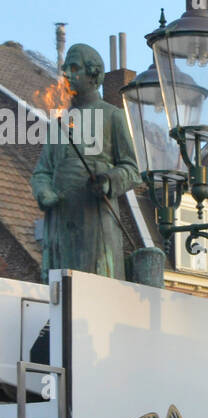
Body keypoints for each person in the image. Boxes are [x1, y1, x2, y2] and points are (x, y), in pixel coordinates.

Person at [30, 43, 139, 280]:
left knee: (95, 284)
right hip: (60, 221)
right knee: (61, 287)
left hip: (95, 220)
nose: (66, 75)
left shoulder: (112, 116)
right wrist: (44, 191)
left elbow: (132, 169)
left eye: (74, 68)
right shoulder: (59, 123)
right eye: (65, 69)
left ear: (93, 74)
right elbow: (42, 171)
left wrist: (108, 180)